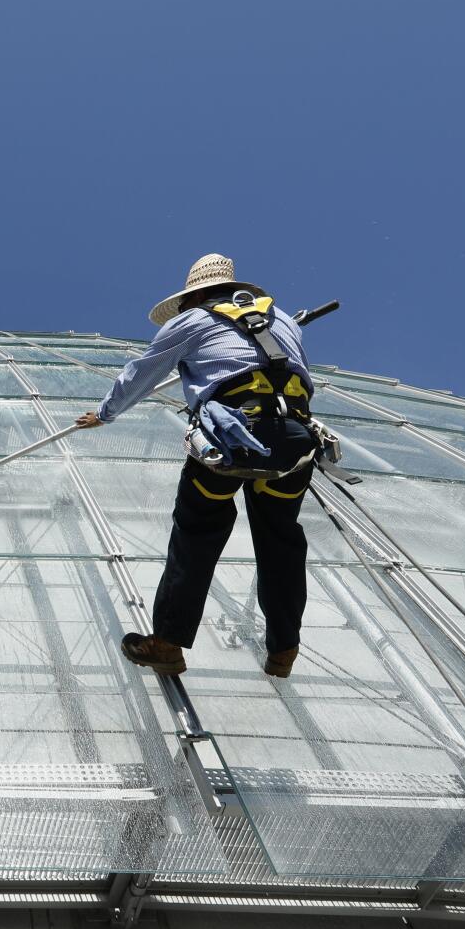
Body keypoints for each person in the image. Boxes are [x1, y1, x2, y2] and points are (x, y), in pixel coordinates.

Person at [75, 253, 322, 679]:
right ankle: (284, 649)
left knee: (197, 532)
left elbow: (143, 373)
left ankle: (168, 644)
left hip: (231, 441)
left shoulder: (191, 321)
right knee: (280, 540)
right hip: (293, 443)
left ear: (196, 295)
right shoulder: (283, 320)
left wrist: (106, 413)